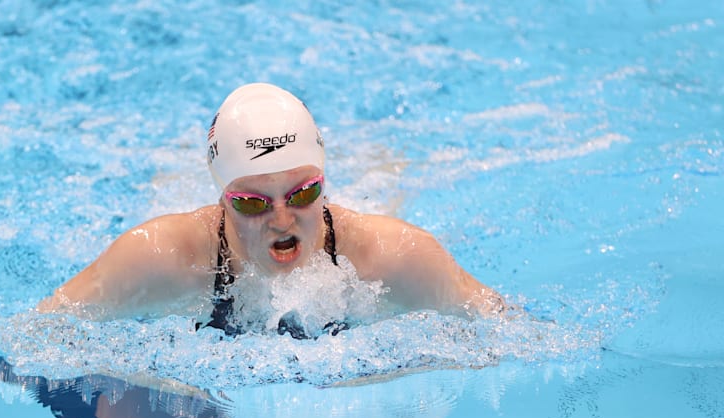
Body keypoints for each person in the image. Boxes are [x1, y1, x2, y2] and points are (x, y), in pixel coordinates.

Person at [38, 83, 503, 333]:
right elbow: (41, 331)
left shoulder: (394, 256)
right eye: (252, 203)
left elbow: (509, 329)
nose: (282, 219)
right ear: (223, 198)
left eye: (303, 193)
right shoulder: (158, 258)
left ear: (323, 180)